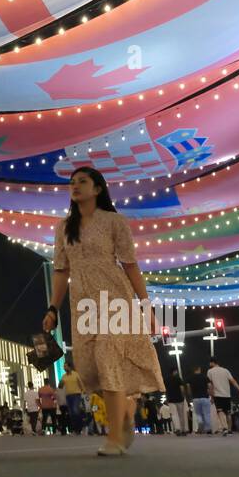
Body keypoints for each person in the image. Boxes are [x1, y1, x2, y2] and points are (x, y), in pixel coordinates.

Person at [42, 167, 165, 457]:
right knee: (93, 368)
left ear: (97, 189)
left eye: (82, 182)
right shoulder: (63, 227)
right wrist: (52, 308)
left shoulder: (114, 221)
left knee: (108, 357)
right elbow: (61, 271)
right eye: (72, 183)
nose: (75, 186)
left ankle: (113, 437)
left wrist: (146, 308)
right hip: (82, 303)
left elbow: (131, 265)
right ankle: (126, 415)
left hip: (115, 297)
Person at [206, 359, 239, 436]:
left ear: (212, 362)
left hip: (217, 395)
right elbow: (233, 381)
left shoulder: (210, 371)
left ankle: (225, 428)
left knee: (220, 412)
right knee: (228, 413)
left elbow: (210, 385)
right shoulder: (226, 370)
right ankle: (229, 430)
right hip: (227, 395)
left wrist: (211, 396)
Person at [61, 364, 85, 434]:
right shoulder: (64, 376)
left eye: (65, 366)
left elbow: (81, 384)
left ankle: (79, 428)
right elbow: (60, 386)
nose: (64, 368)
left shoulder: (76, 374)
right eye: (64, 367)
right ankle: (75, 428)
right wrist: (60, 383)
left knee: (75, 410)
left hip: (76, 394)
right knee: (71, 413)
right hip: (68, 395)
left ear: (70, 367)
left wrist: (83, 391)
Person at [190, 365, 212, 434]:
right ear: (199, 369)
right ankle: (208, 429)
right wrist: (211, 395)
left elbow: (188, 387)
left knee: (198, 413)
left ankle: (200, 421)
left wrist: (190, 396)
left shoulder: (191, 378)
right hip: (205, 397)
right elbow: (210, 386)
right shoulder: (205, 377)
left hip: (195, 398)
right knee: (207, 413)